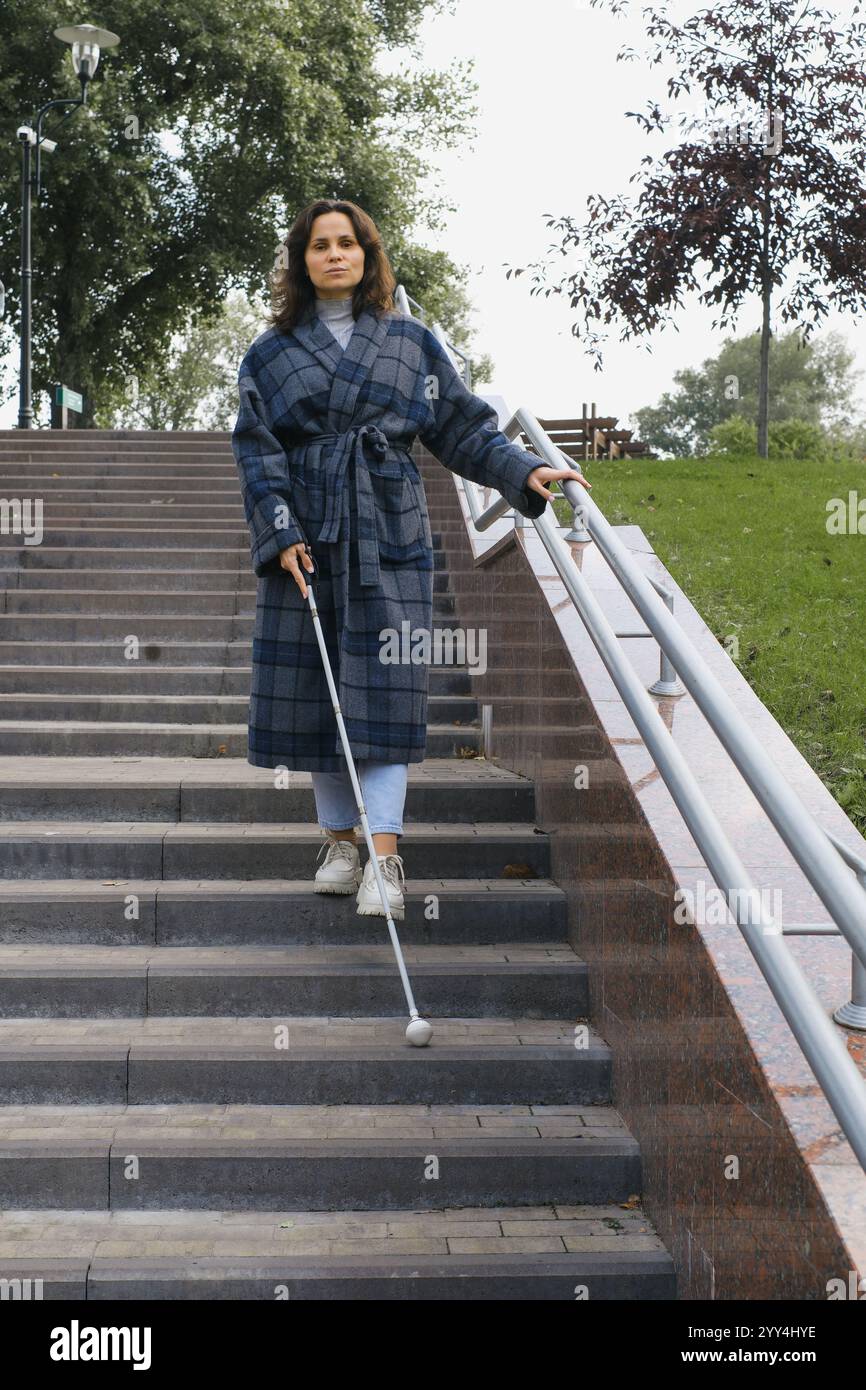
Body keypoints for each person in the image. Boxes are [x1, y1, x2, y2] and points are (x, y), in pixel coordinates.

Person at [231, 197, 589, 920]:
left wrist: (522, 471)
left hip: (391, 532)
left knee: (385, 691)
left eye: (348, 243)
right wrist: (280, 531)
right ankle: (339, 843)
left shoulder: (413, 342)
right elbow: (255, 449)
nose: (335, 254)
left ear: (368, 255)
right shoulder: (267, 355)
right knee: (321, 692)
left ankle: (385, 862)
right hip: (308, 534)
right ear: (301, 261)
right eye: (319, 245)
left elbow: (461, 428)